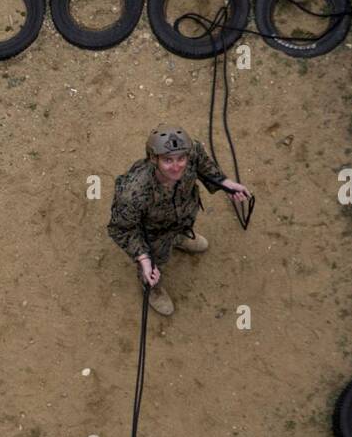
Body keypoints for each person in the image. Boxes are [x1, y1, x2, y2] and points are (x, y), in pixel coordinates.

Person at [106, 125, 250, 316]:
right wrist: (144, 258)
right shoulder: (133, 192)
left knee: (181, 229)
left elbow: (203, 165)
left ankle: (180, 238)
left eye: (181, 158)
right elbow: (121, 229)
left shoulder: (192, 152)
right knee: (153, 264)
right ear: (153, 158)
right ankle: (152, 287)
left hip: (183, 217)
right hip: (153, 235)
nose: (176, 166)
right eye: (167, 160)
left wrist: (225, 184)